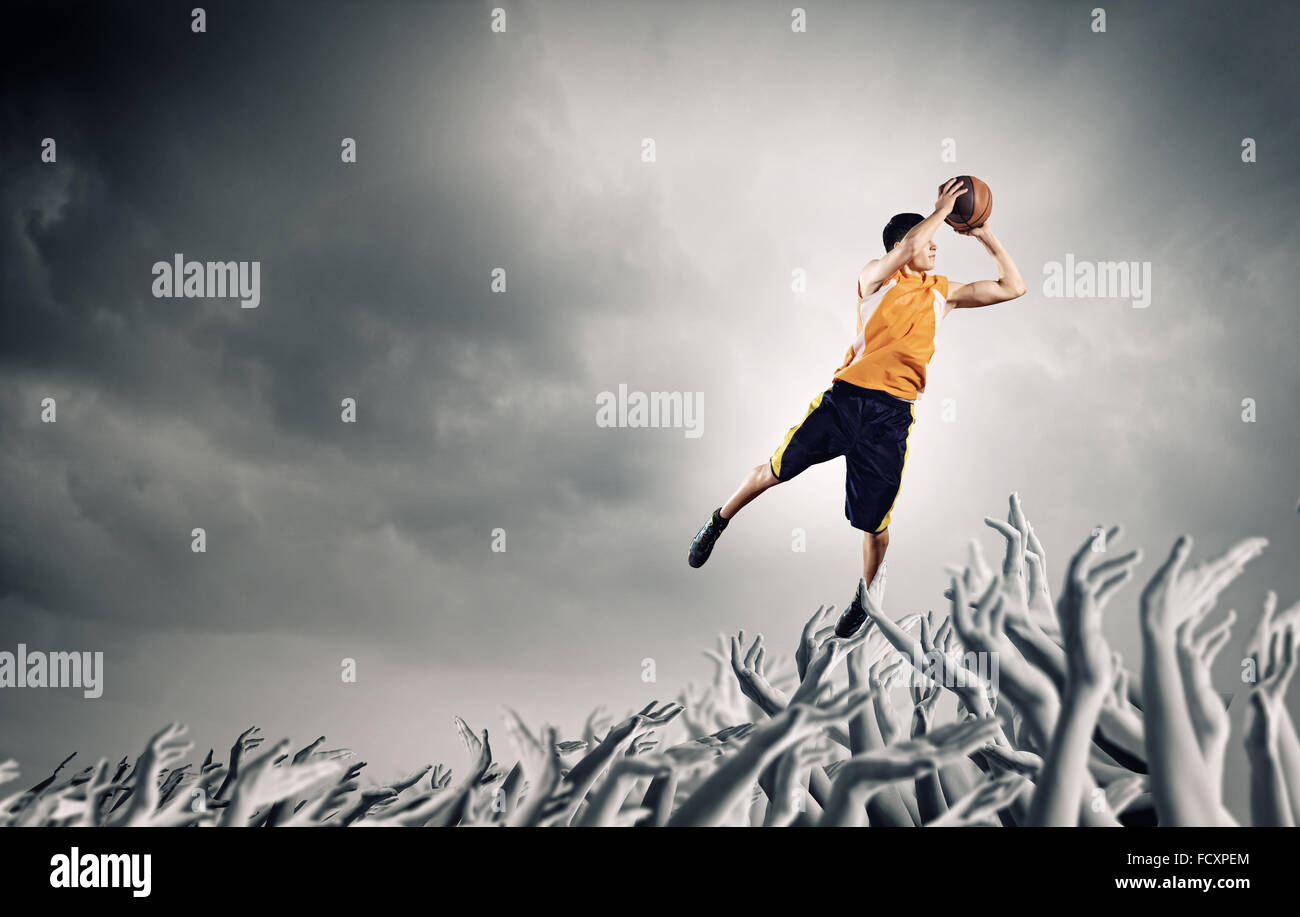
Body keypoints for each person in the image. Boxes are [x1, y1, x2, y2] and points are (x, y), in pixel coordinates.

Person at [687, 178, 1027, 638]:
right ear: (907, 241)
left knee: (876, 525)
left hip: (892, 418)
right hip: (846, 401)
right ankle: (717, 521)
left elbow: (1013, 287)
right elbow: (908, 248)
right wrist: (942, 213)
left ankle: (863, 599)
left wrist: (983, 233)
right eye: (933, 241)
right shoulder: (875, 277)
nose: (936, 249)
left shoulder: (941, 292)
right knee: (776, 469)